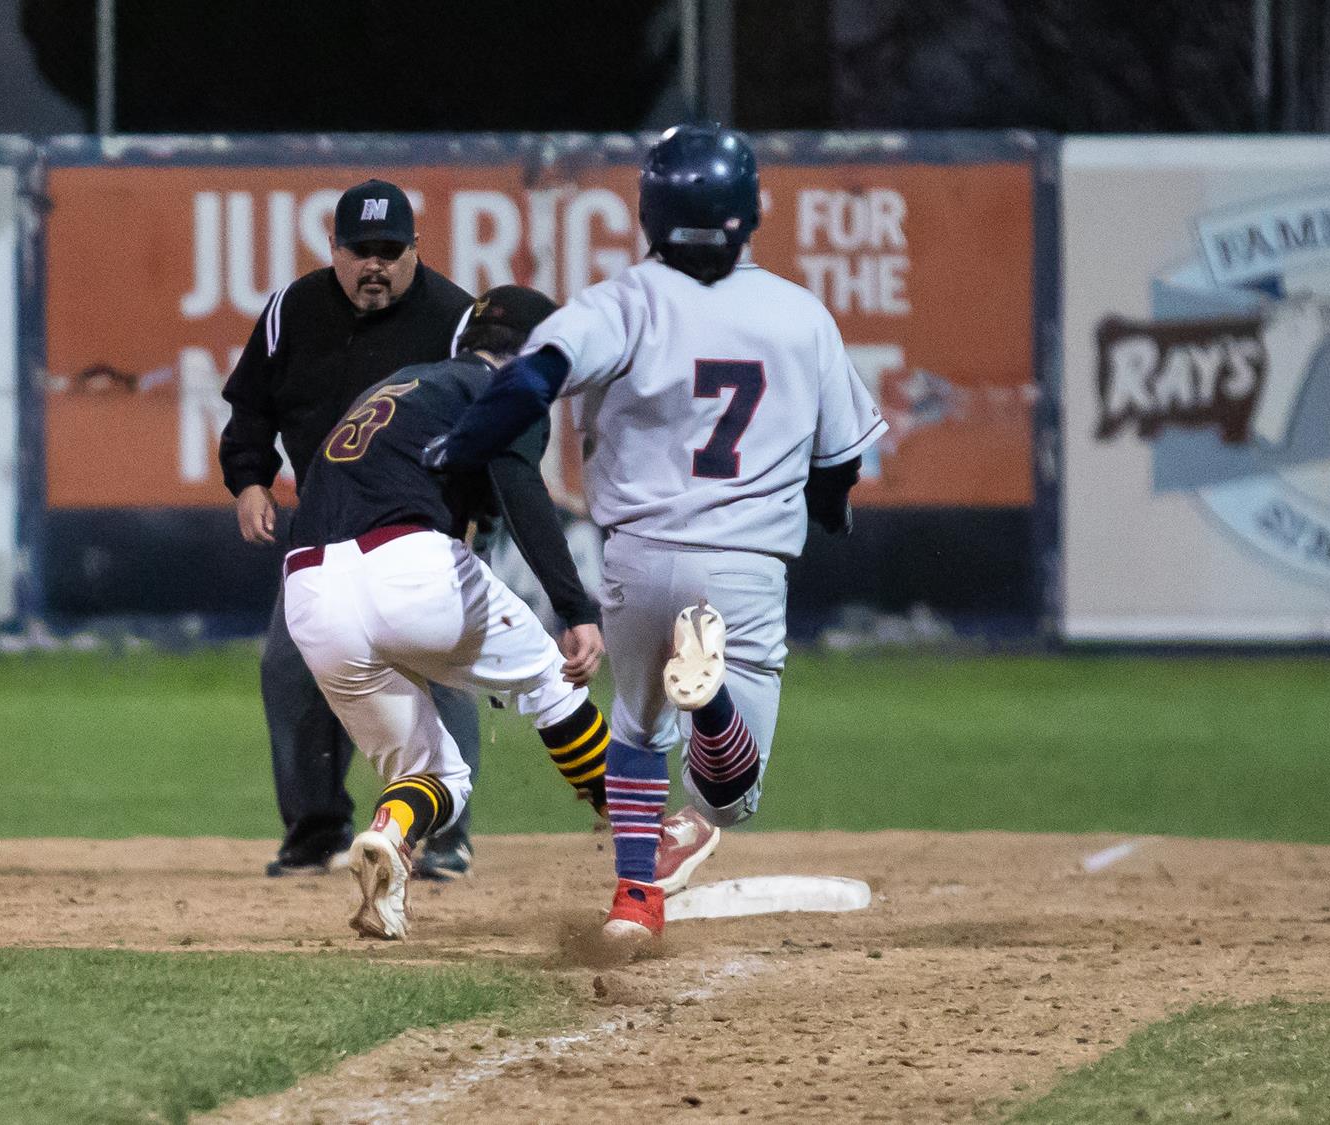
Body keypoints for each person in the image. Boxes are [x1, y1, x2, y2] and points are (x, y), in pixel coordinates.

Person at [425, 125, 887, 947]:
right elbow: (840, 461)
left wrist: (458, 442)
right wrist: (832, 508)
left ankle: (634, 901)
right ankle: (707, 701)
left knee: (636, 734)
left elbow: (531, 379)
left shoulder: (624, 300)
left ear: (651, 209)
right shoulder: (800, 314)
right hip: (745, 560)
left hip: (636, 555)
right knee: (724, 796)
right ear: (747, 211)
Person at [281, 285, 611, 940]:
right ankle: (646, 836)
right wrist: (575, 607)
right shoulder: (513, 387)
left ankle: (388, 833)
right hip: (405, 562)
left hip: (310, 590)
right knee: (553, 679)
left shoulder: (402, 384)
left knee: (435, 775)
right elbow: (518, 487)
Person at [219, 180, 483, 880]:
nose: (376, 265)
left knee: (439, 668)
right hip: (325, 526)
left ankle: (446, 834)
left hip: (424, 526)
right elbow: (251, 408)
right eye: (359, 251)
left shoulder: (455, 319)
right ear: (332, 249)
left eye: (390, 251)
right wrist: (249, 478)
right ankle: (315, 830)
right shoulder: (293, 311)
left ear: (415, 251)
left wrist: (477, 517)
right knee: (290, 666)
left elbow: (489, 426)